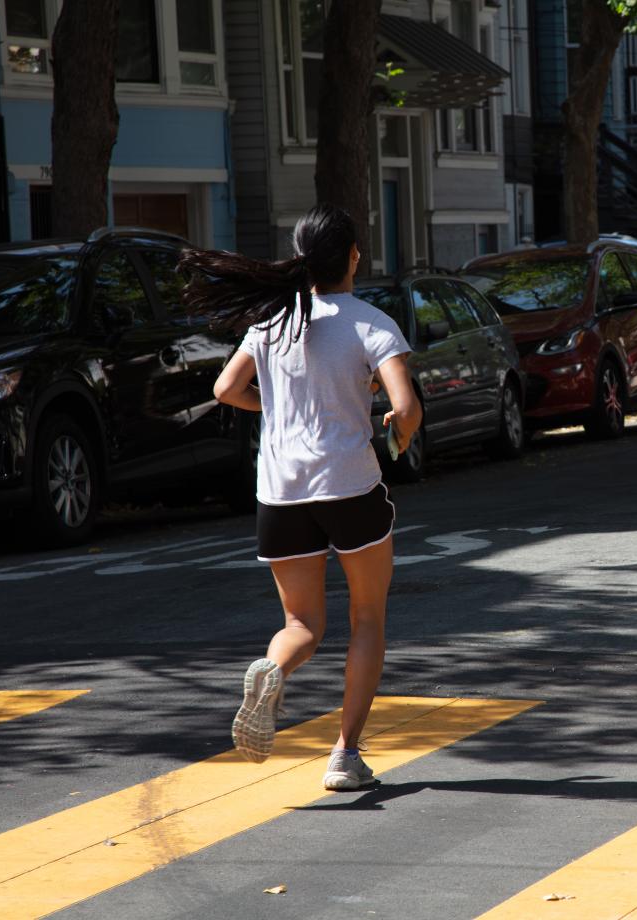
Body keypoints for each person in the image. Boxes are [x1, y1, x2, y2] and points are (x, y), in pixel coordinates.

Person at [182, 204, 422, 791]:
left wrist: (280, 408)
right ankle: (344, 755)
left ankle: (272, 667)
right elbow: (408, 408)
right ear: (354, 257)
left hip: (280, 491)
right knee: (367, 617)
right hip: (349, 484)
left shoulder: (268, 324)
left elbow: (224, 388)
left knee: (302, 623)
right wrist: (397, 433)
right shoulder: (371, 323)